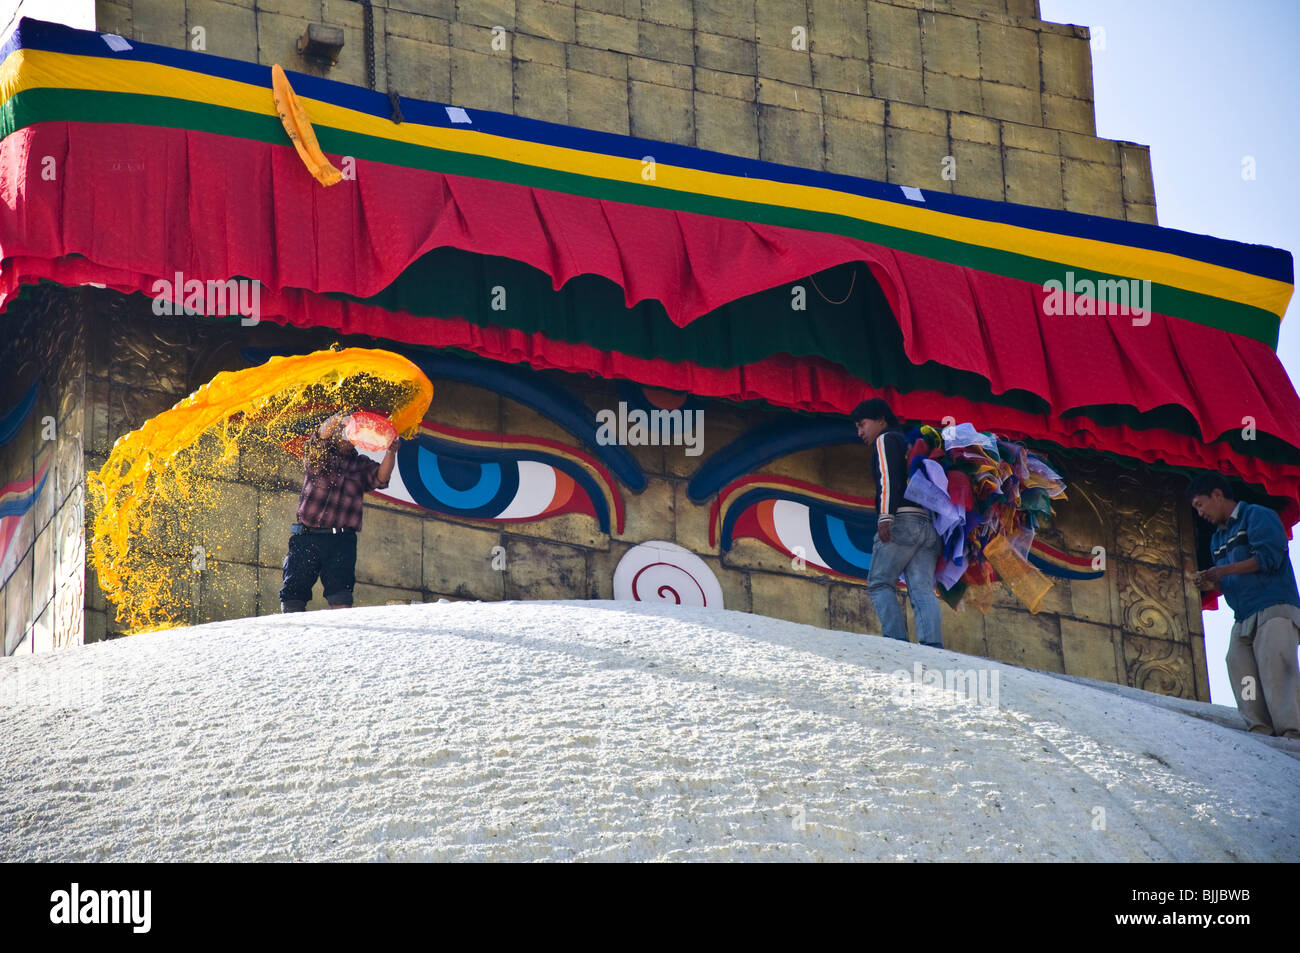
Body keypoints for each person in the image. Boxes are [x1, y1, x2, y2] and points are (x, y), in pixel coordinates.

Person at [1188, 472, 1300, 738]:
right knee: (1238, 664)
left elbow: (1269, 558)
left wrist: (1223, 570)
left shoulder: (1257, 515)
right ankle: (1260, 728)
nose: (1200, 512)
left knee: (1276, 662)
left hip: (1275, 605)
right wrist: (1212, 583)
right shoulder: (1217, 538)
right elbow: (1229, 580)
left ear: (1217, 494)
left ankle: (1293, 731)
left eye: (1200, 504)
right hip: (1243, 615)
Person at [280, 409, 400, 612]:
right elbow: (319, 436)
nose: (344, 436)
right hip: (306, 536)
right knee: (293, 593)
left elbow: (381, 478)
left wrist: (391, 452)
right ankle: (291, 638)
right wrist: (338, 417)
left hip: (341, 541)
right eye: (341, 431)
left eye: (349, 432)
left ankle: (342, 643)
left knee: (341, 596)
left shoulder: (360, 465)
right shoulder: (318, 455)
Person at [853, 398, 943, 648]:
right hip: (929, 527)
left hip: (902, 522)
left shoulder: (886, 440)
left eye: (862, 424)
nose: (860, 432)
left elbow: (888, 479)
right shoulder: (908, 443)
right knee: (922, 589)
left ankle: (896, 643)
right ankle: (933, 647)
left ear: (881, 419)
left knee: (880, 583)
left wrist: (885, 516)